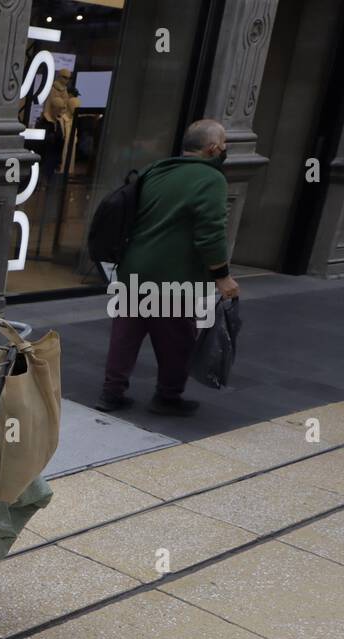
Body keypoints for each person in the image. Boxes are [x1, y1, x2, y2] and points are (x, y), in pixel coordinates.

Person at [97, 118, 239, 417]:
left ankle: (111, 393)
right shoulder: (211, 179)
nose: (225, 150)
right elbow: (210, 234)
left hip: (133, 269)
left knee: (125, 336)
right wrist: (222, 277)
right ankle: (167, 397)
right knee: (177, 341)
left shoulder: (156, 169)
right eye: (224, 144)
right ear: (213, 149)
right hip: (174, 278)